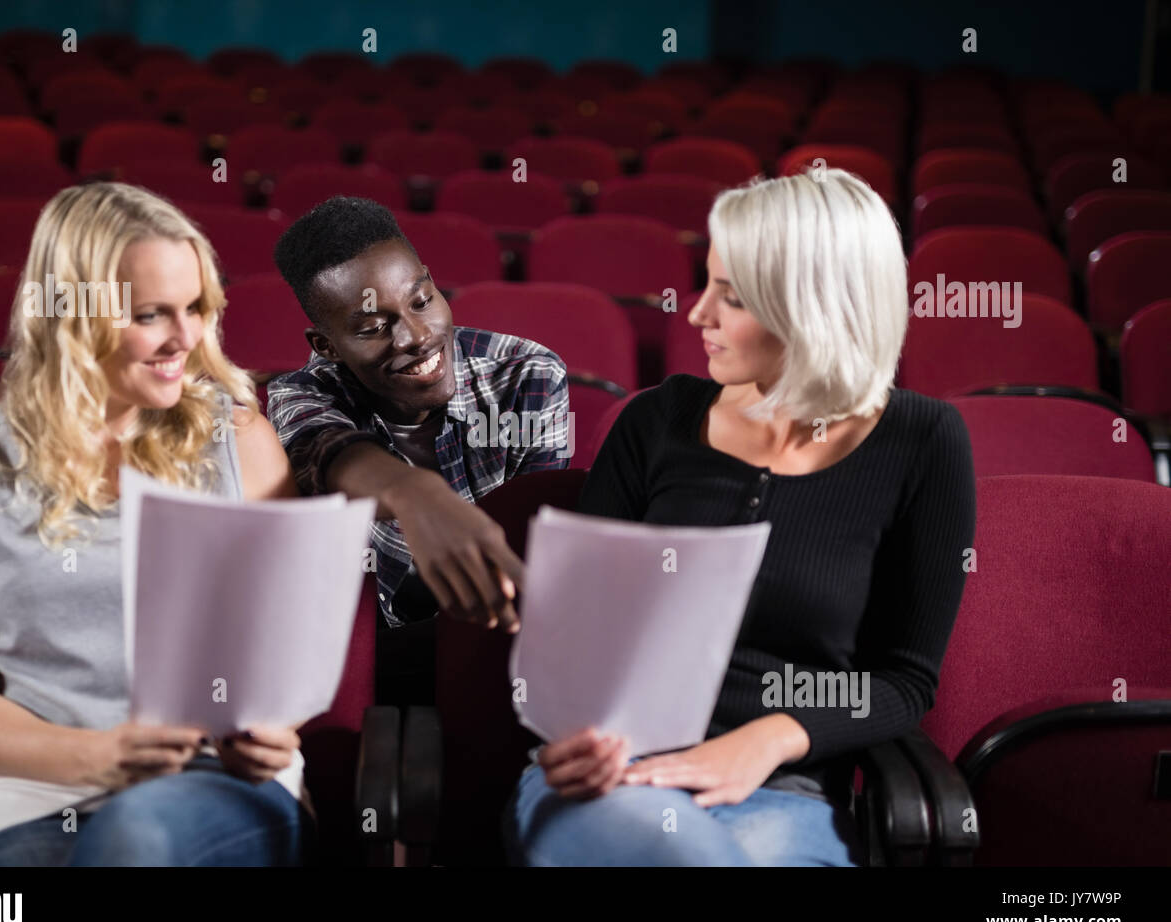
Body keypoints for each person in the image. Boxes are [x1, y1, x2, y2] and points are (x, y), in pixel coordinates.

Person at [504, 169, 977, 866]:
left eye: (730, 297)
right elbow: (576, 638)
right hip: (614, 774)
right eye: (706, 287)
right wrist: (580, 733)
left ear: (812, 306)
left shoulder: (925, 441)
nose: (697, 316)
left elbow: (905, 679)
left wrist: (770, 739)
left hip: (784, 791)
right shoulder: (656, 422)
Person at [0, 182, 311, 866]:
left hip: (213, 778)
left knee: (135, 846)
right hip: (33, 790)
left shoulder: (238, 440)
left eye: (196, 309)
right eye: (153, 315)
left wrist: (273, 721)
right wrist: (98, 755)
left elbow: (291, 641)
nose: (187, 338)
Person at [269, 197, 570, 697]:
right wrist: (415, 496)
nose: (416, 337)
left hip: (510, 652)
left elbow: (532, 549)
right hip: (381, 667)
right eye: (371, 328)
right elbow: (327, 449)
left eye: (421, 300)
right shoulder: (302, 393)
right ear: (326, 347)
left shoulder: (525, 374)